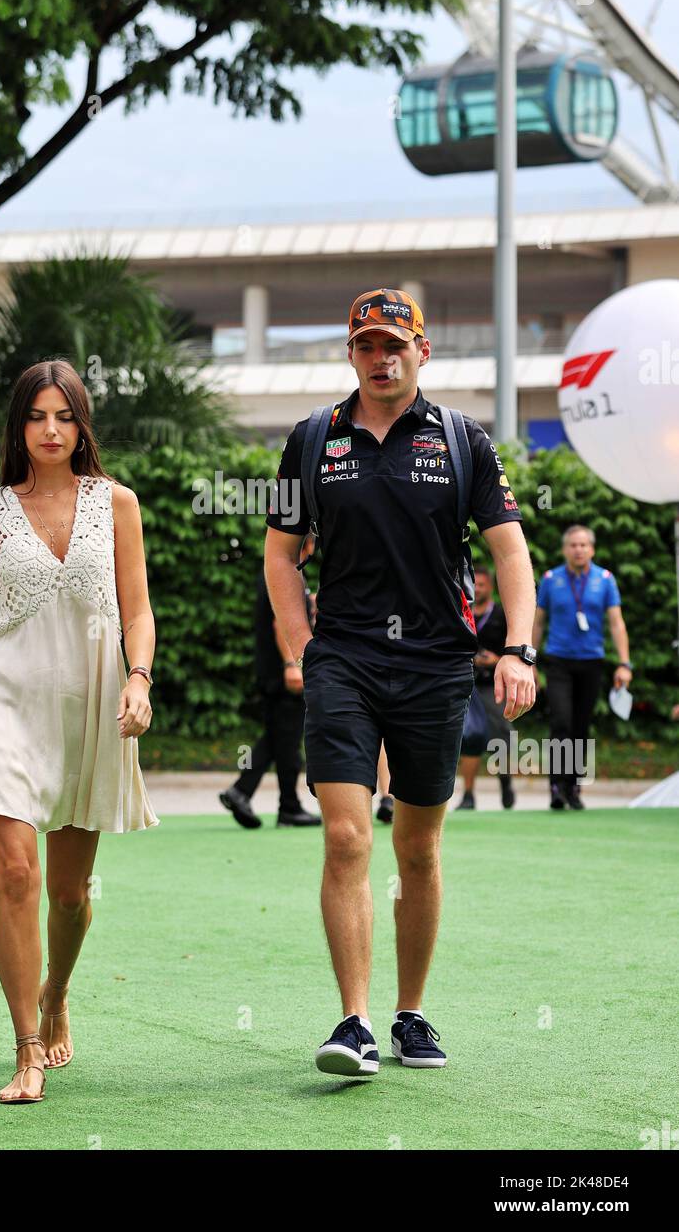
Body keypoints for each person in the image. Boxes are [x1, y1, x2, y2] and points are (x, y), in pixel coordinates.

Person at [264, 287, 537, 1076]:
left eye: (396, 346)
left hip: (436, 664)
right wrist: (302, 645)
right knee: (347, 834)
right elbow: (282, 554)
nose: (382, 359)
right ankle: (354, 1023)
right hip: (344, 659)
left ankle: (411, 1014)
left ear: (423, 352)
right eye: (367, 346)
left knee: (417, 846)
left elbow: (510, 552)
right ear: (350, 354)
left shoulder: (463, 441)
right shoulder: (314, 439)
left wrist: (517, 649)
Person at [0, 359, 158, 1104]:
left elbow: (139, 610)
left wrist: (139, 677)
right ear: (17, 428)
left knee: (69, 893)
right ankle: (25, 1045)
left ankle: (57, 993)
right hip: (4, 701)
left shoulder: (117, 503)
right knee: (17, 876)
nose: (51, 430)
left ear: (82, 425)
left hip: (90, 707)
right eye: (36, 417)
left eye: (64, 416)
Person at [220, 534, 321, 828]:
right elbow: (281, 621)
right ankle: (286, 806)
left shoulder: (274, 570)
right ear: (307, 544)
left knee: (279, 736)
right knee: (287, 740)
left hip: (271, 669)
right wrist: (293, 664)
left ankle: (243, 792)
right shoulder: (289, 572)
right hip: (282, 671)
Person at [533, 524, 633, 811]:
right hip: (559, 661)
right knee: (561, 722)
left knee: (580, 726)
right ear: (565, 549)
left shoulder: (605, 580)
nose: (578, 550)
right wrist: (528, 660)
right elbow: (538, 622)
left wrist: (624, 663)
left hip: (591, 661)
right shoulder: (552, 580)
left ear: (592, 549)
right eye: (573, 545)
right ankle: (556, 785)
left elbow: (616, 623)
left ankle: (574, 786)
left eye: (583, 545)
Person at [456, 566, 515, 810]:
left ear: (490, 587)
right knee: (470, 736)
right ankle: (468, 794)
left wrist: (497, 659)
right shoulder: (460, 611)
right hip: (465, 682)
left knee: (501, 736)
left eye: (482, 585)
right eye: (474, 584)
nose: (478, 588)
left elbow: (513, 648)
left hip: (494, 685)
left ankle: (505, 781)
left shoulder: (501, 614)